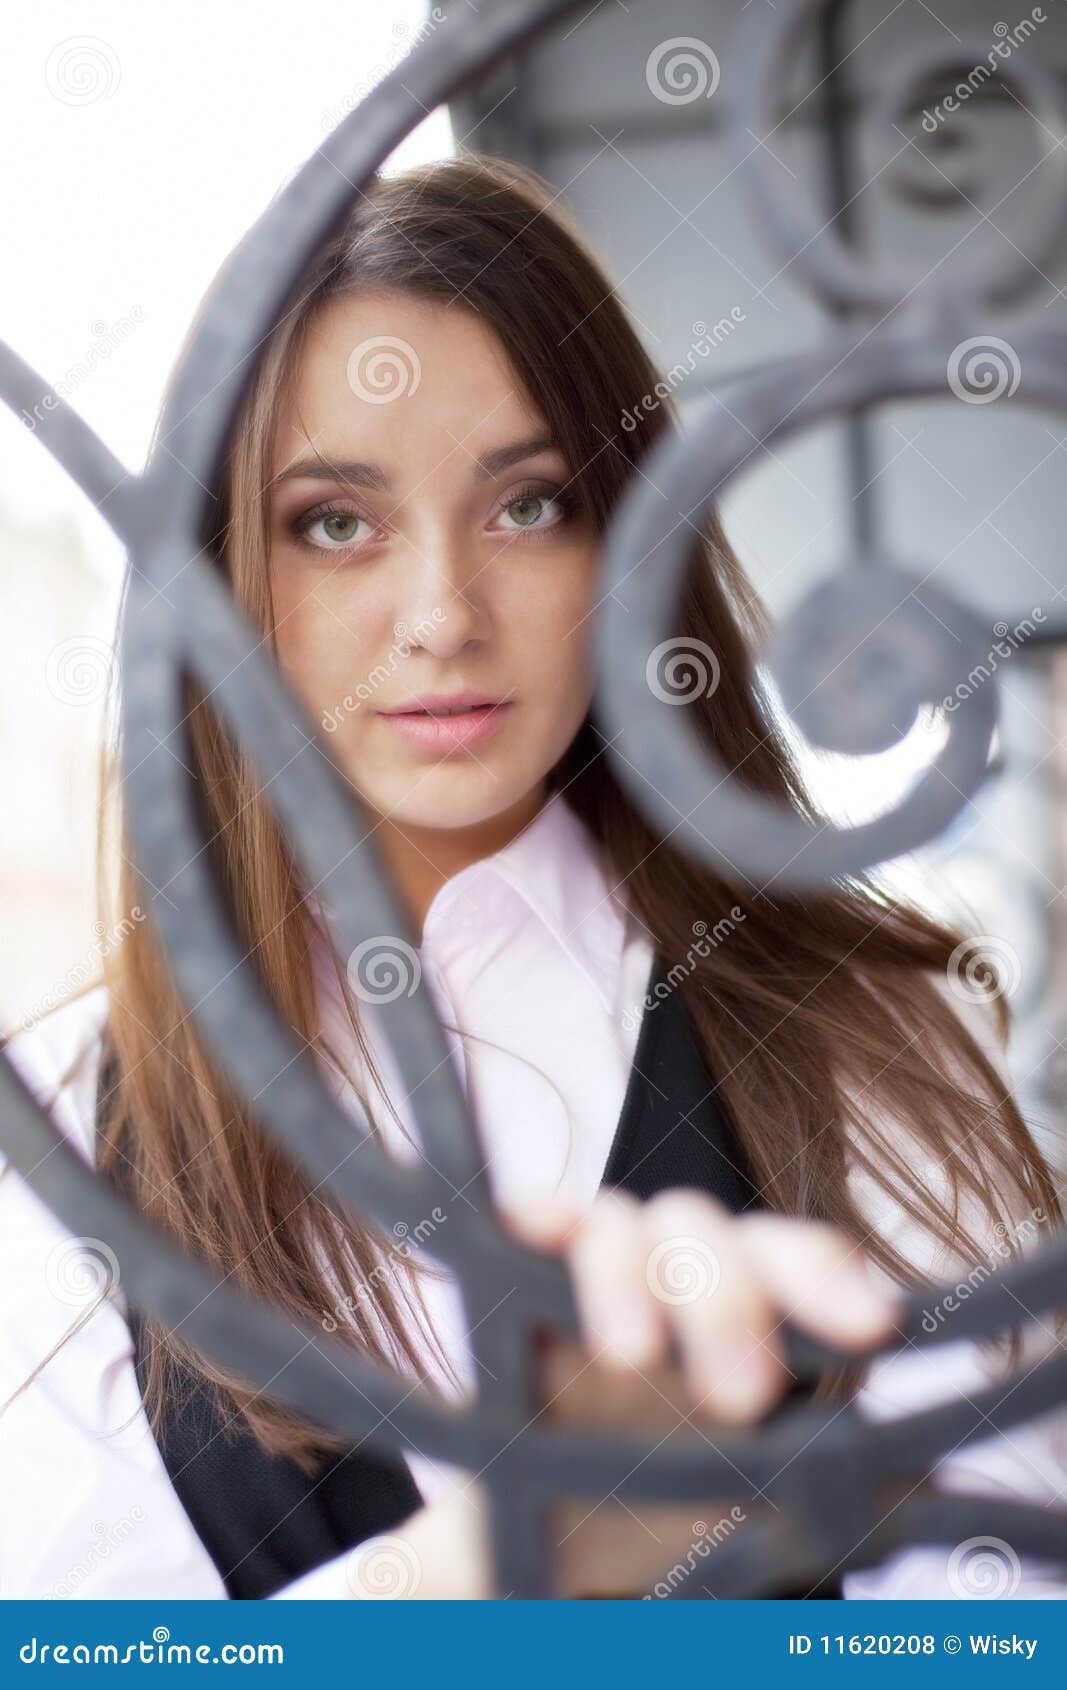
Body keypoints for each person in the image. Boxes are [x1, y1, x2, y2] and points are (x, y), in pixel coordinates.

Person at [2, 152, 1065, 1602]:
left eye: (529, 504)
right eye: (334, 520)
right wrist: (515, 1562)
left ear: (629, 536)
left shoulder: (862, 1045)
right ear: (224, 572)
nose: (441, 613)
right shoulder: (51, 1136)